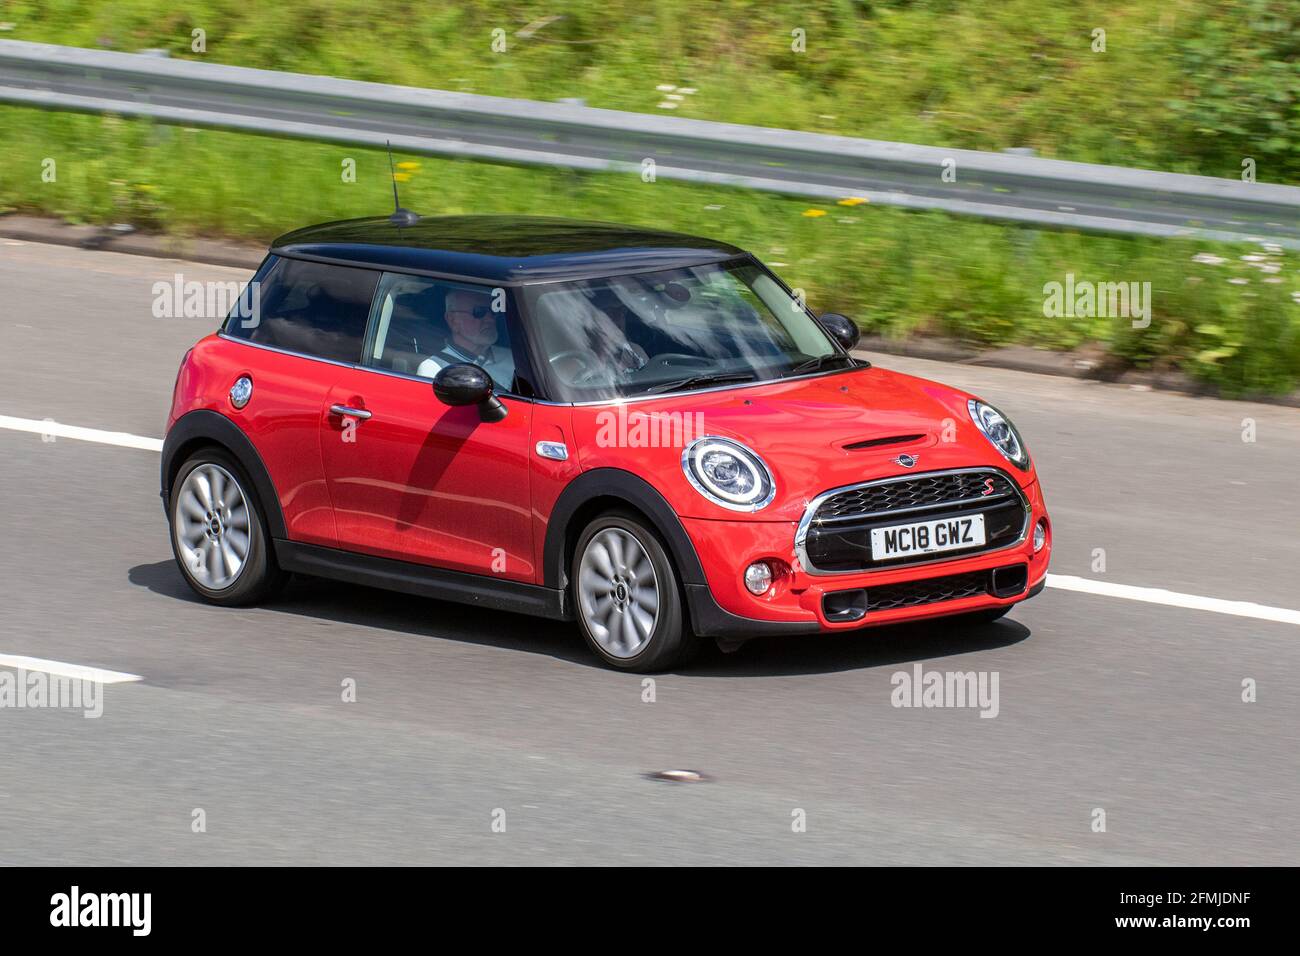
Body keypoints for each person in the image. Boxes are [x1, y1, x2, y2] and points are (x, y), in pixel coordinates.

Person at [417, 288, 515, 390]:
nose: (490, 319)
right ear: (453, 320)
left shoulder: (514, 360)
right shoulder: (433, 370)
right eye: (479, 312)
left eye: (493, 311)